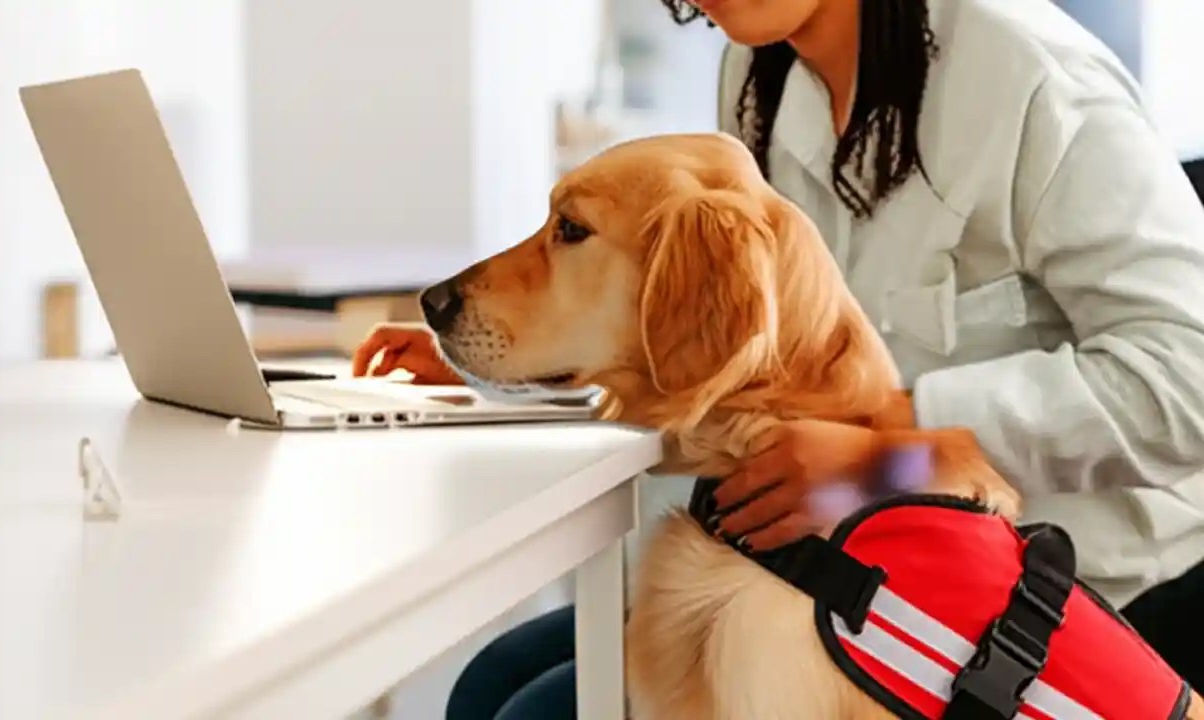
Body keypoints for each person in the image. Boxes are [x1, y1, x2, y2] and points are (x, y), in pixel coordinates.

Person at [353, 0, 1204, 716]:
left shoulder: (1035, 81)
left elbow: (1189, 380)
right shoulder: (760, 73)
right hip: (834, 552)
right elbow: (730, 377)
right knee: (497, 681)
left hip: (1060, 593)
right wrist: (508, 369)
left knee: (534, 710)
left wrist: (888, 451)